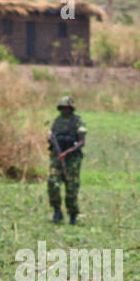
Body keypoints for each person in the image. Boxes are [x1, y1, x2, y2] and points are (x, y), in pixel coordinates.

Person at [47, 95, 86, 225]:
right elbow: (51, 135)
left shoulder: (78, 122)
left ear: (71, 108)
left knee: (71, 188)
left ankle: (73, 215)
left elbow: (81, 142)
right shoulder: (57, 122)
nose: (65, 111)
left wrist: (67, 152)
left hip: (72, 159)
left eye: (67, 108)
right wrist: (51, 140)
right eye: (63, 108)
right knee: (52, 182)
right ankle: (57, 211)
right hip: (57, 157)